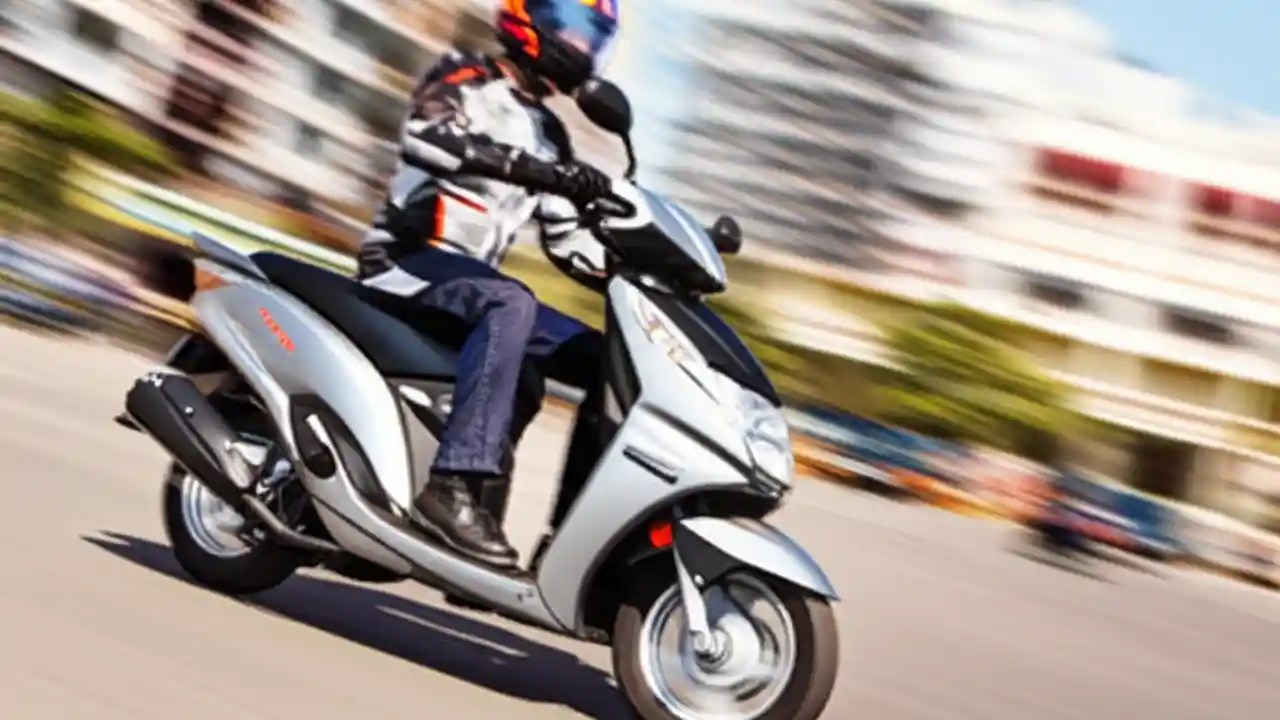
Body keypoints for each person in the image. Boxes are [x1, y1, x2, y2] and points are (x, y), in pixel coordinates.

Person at [355, 0, 622, 568]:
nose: (581, 47)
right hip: (407, 260)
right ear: (530, 18)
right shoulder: (465, 76)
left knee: (608, 362)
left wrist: (635, 273)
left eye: (593, 37)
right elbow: (428, 138)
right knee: (510, 302)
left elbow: (567, 239)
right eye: (573, 29)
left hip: (471, 286)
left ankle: (571, 541)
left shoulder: (550, 131)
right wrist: (537, 171)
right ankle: (449, 489)